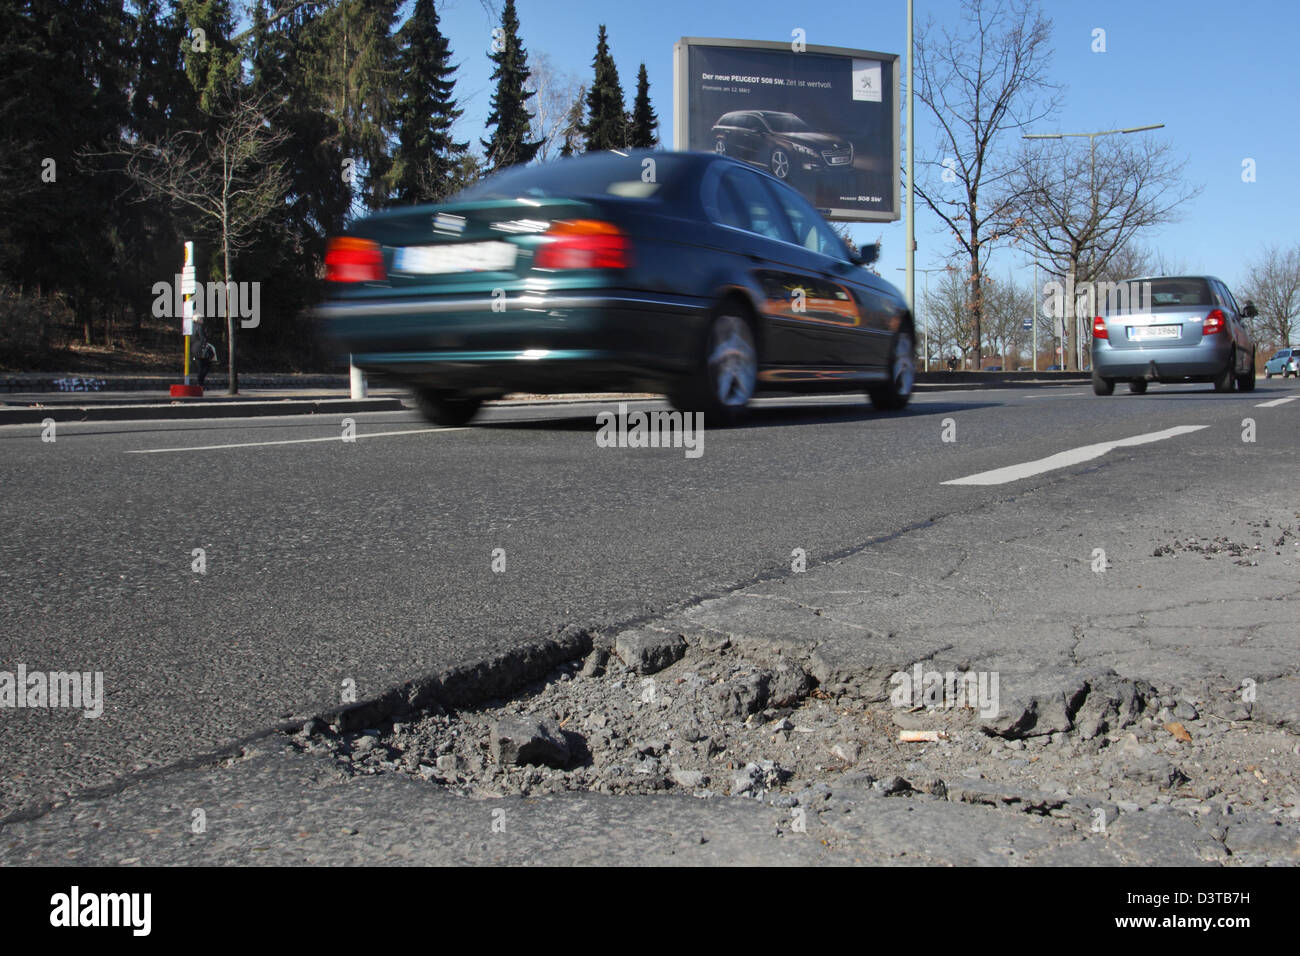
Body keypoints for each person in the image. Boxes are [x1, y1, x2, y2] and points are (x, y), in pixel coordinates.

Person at [191, 315, 216, 386]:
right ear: (198, 319)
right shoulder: (199, 327)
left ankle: (200, 383)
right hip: (200, 349)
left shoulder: (192, 327)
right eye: (201, 318)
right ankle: (200, 382)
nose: (203, 320)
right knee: (206, 366)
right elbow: (203, 339)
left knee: (200, 366)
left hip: (194, 348)